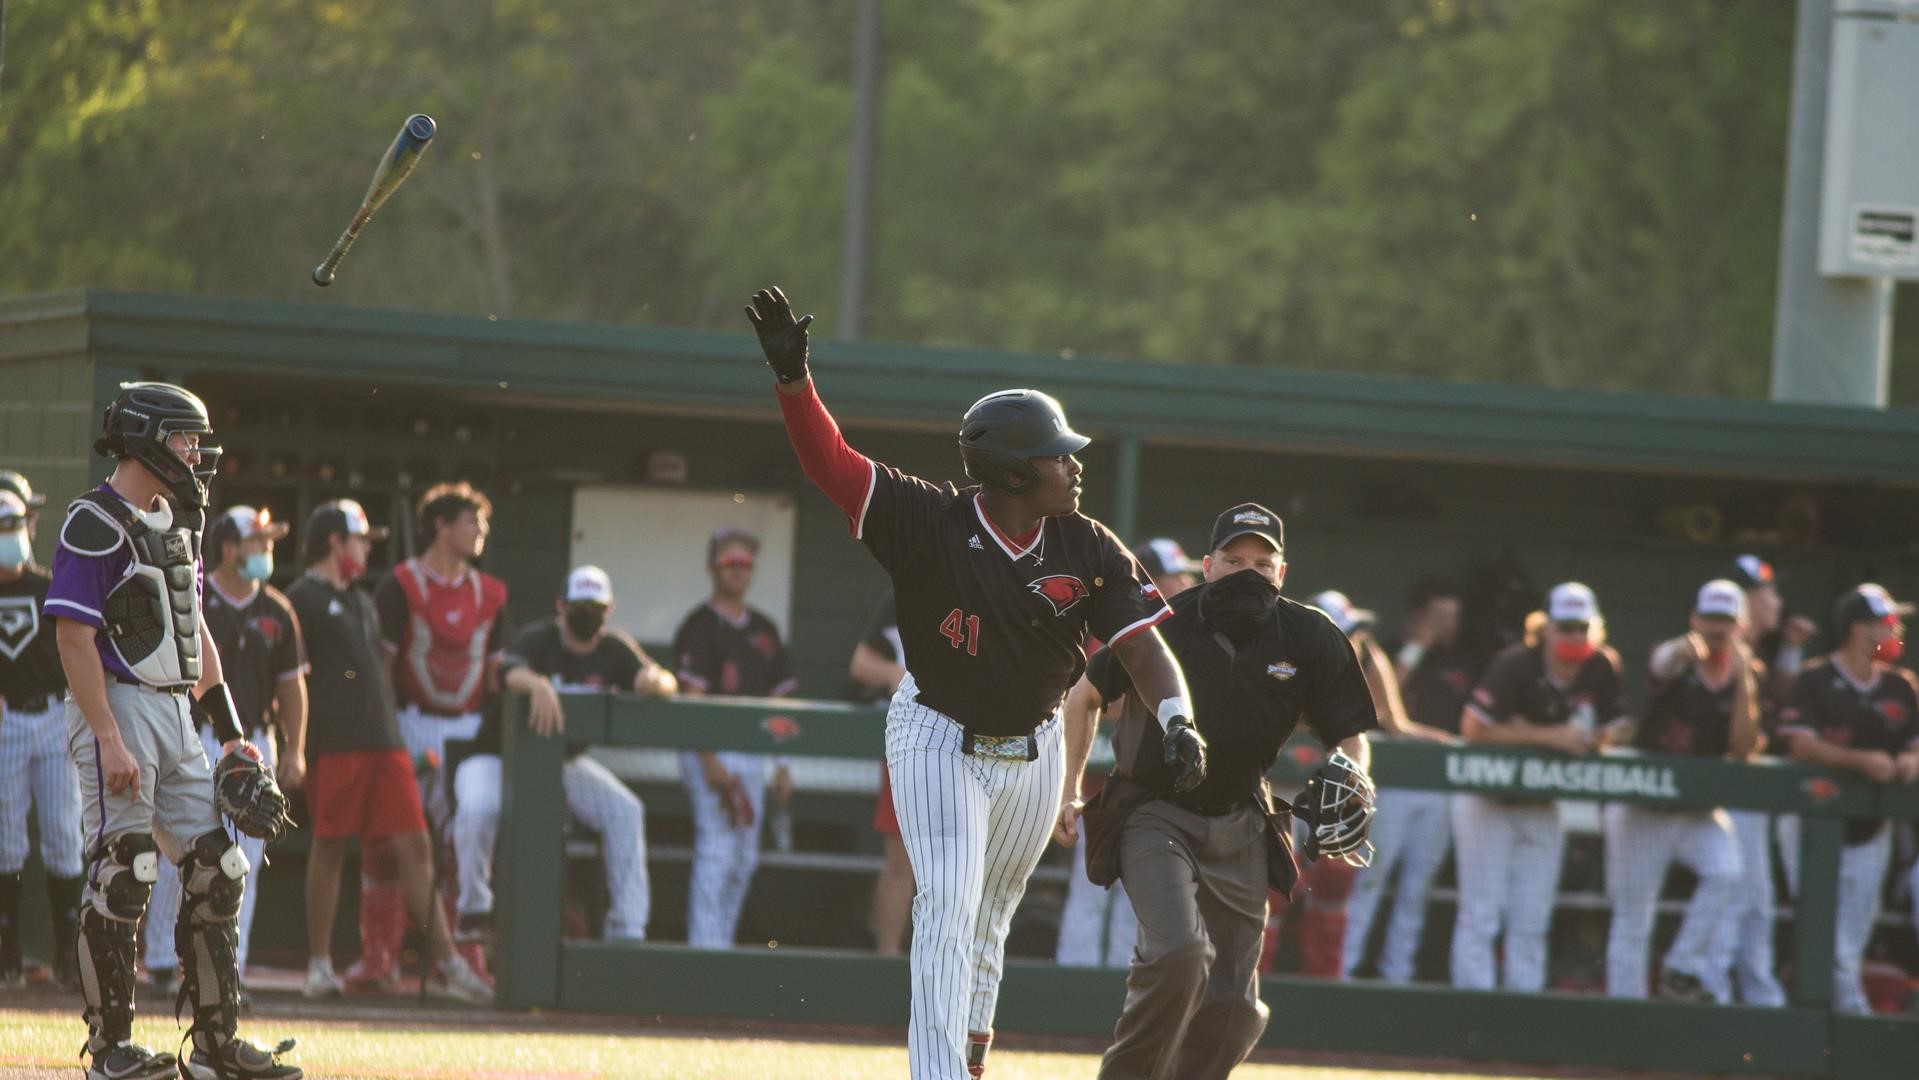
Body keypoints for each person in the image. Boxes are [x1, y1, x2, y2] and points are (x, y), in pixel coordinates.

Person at [748, 286, 1199, 1080]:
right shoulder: (930, 520)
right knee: (947, 909)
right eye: (1059, 453)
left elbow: (1143, 649)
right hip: (936, 730)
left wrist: (1177, 718)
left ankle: (970, 1063)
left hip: (1036, 746)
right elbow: (833, 465)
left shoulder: (1087, 543)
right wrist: (795, 383)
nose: (1073, 463)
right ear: (1014, 470)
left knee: (990, 923)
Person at [1059, 505, 1376, 1080]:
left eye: (1262, 562)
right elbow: (1082, 694)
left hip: (1242, 816)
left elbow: (1349, 734)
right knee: (1180, 954)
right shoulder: (1163, 622)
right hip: (1154, 810)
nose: (1248, 572)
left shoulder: (1310, 634)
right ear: (1207, 566)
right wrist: (1067, 788)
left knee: (1233, 1006)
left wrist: (1355, 773)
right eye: (1234, 560)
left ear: (1282, 572)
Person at [48, 383, 298, 1079]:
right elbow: (73, 638)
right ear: (148, 437)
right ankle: (111, 1051)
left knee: (220, 867)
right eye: (186, 439)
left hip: (175, 712)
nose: (195, 452)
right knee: (125, 871)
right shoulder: (93, 519)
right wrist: (106, 735)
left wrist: (230, 733)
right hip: (117, 704)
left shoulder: (176, 519)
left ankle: (216, 1048)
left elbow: (194, 634)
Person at [287, 499, 491, 1006]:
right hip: (334, 741)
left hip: (385, 739)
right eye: (359, 540)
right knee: (331, 847)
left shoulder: (359, 600)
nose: (365, 549)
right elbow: (290, 677)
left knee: (416, 845)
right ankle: (318, 965)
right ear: (335, 541)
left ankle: (447, 962)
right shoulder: (301, 598)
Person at [454, 565, 673, 940]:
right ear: (561, 605)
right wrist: (537, 685)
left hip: (561, 762)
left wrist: (656, 681)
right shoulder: (539, 638)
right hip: (497, 755)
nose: (588, 614)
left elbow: (659, 679)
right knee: (479, 808)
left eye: (596, 607)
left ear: (608, 610)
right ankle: (475, 909)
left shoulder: (613, 648)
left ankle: (627, 926)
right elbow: (507, 672)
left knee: (626, 810)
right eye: (579, 606)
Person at [145, 506, 307, 998]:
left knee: (246, 861)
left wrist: (296, 749)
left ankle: (228, 966)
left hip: (253, 740)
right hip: (194, 734)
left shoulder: (277, 608)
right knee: (183, 850)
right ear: (229, 546)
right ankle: (159, 961)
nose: (265, 550)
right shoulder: (197, 596)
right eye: (256, 542)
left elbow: (292, 686)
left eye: (268, 542)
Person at [355, 482, 508, 988]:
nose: (479, 531)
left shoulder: (490, 594)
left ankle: (460, 961)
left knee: (464, 844)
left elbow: (496, 675)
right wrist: (384, 733)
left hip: (467, 729)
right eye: (471, 521)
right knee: (388, 839)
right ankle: (380, 958)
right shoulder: (401, 584)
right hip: (410, 722)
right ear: (441, 525)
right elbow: (381, 668)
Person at [1452, 582, 1626, 993]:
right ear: (1545, 628)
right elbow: (1474, 728)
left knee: (1531, 918)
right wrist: (1549, 736)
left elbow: (1620, 727)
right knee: (1482, 913)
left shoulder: (1601, 665)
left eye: (1583, 627)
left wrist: (1594, 737)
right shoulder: (1515, 664)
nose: (1575, 637)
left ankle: (1521, 1008)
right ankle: (1472, 1009)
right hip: (1488, 799)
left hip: (1542, 804)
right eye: (1566, 627)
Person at [1603, 580, 1759, 1002]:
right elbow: (1662, 662)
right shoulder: (1679, 654)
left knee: (1727, 871)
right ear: (1695, 619)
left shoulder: (1742, 672)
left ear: (1741, 625)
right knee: (1633, 920)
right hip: (1644, 808)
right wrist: (1677, 651)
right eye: (1710, 618)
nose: (1716, 629)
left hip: (1696, 811)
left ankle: (1682, 967)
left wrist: (1744, 679)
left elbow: (1744, 746)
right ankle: (1626, 1018)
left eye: (1725, 620)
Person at [1055, 540, 1201, 972]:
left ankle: (1124, 983)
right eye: (1176, 574)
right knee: (1089, 890)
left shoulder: (1184, 628)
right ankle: (1075, 978)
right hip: (1099, 775)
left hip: (1145, 781)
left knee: (1135, 895)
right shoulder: (1119, 622)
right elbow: (1098, 699)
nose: (1186, 583)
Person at [1774, 584, 1919, 1015]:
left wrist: (1911, 761)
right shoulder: (1816, 678)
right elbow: (1799, 746)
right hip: (1810, 825)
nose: (1896, 632)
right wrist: (1861, 761)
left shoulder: (1901, 686)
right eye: (1887, 623)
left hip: (1870, 830)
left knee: (1848, 941)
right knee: (1825, 935)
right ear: (1859, 629)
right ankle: (1851, 1024)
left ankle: (1832, 1027)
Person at [671, 527, 797, 949]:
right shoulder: (698, 625)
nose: (739, 571)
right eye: (730, 562)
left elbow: (783, 708)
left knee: (745, 858)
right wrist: (709, 760)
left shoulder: (764, 628)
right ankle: (705, 954)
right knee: (716, 851)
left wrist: (783, 767)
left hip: (753, 752)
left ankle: (719, 947)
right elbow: (691, 702)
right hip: (709, 751)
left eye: (746, 563)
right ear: (713, 567)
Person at [1341, 577, 1470, 983]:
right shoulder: (1393, 651)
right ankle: (1343, 970)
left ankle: (1398, 974)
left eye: (1452, 617)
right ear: (1418, 616)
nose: (1447, 624)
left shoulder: (1460, 662)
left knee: (1417, 889)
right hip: (1392, 781)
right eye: (1439, 616)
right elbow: (1382, 710)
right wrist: (1417, 646)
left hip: (1438, 786)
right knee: (1370, 879)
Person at [1707, 554, 1801, 1006]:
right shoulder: (1723, 650)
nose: (1776, 601)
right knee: (1735, 902)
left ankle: (1757, 998)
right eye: (1768, 592)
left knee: (1755, 905)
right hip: (1726, 795)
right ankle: (1715, 996)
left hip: (1750, 796)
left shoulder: (1758, 652)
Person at [0, 484, 83, 990]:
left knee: (63, 836)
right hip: (5, 722)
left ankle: (70, 960)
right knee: (5, 843)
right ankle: (7, 958)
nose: (13, 537)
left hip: (53, 717)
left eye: (17, 526)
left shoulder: (48, 588)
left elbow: (75, 654)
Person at [849, 590, 914, 956]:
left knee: (956, 868)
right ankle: (887, 963)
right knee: (899, 863)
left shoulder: (988, 590)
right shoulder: (901, 597)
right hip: (908, 737)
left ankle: (942, 971)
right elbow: (860, 664)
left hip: (967, 742)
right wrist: (898, 673)